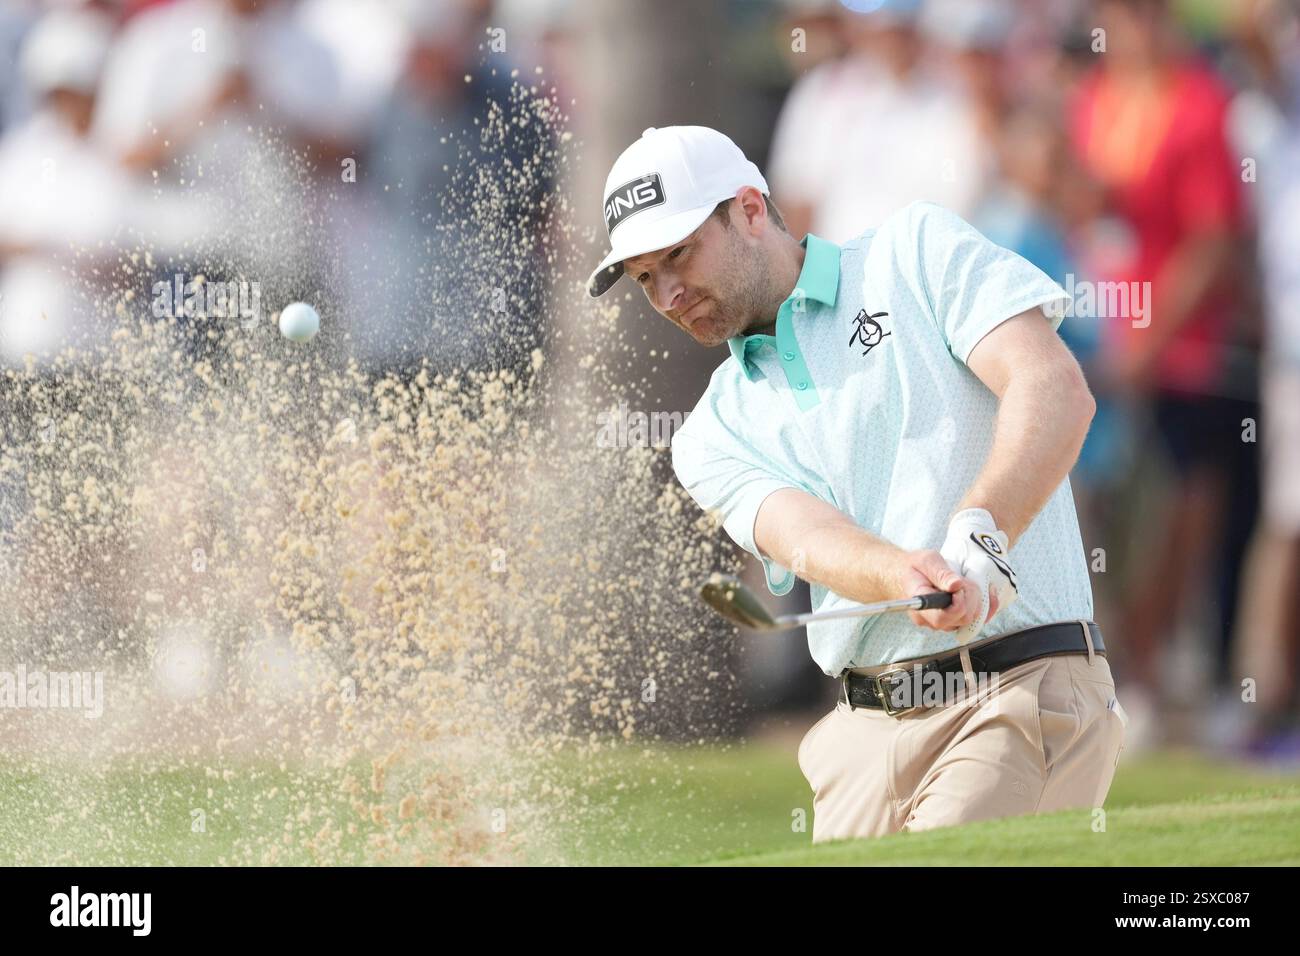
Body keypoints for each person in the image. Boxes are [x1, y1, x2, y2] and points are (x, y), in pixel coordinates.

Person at [586, 125, 1126, 840]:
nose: (669, 294)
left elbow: (1052, 385)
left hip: (1017, 691)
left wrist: (982, 529)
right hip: (861, 738)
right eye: (645, 278)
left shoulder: (914, 253)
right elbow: (806, 538)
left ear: (750, 209)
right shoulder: (708, 433)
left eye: (679, 254)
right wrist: (903, 574)